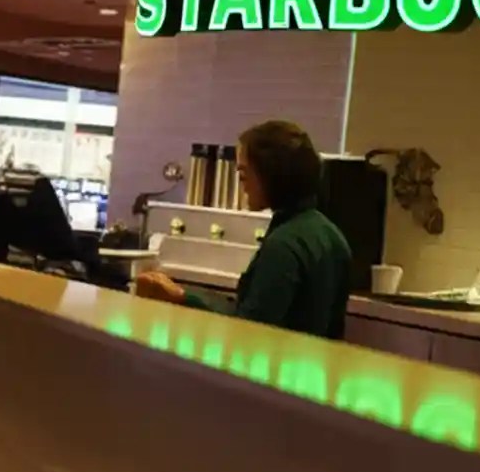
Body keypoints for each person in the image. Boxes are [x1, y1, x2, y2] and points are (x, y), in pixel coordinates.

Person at [136, 120, 352, 340]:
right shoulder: (331, 235)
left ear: (273, 173)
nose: (242, 182)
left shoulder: (284, 245)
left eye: (244, 173)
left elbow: (250, 328)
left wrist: (182, 297)